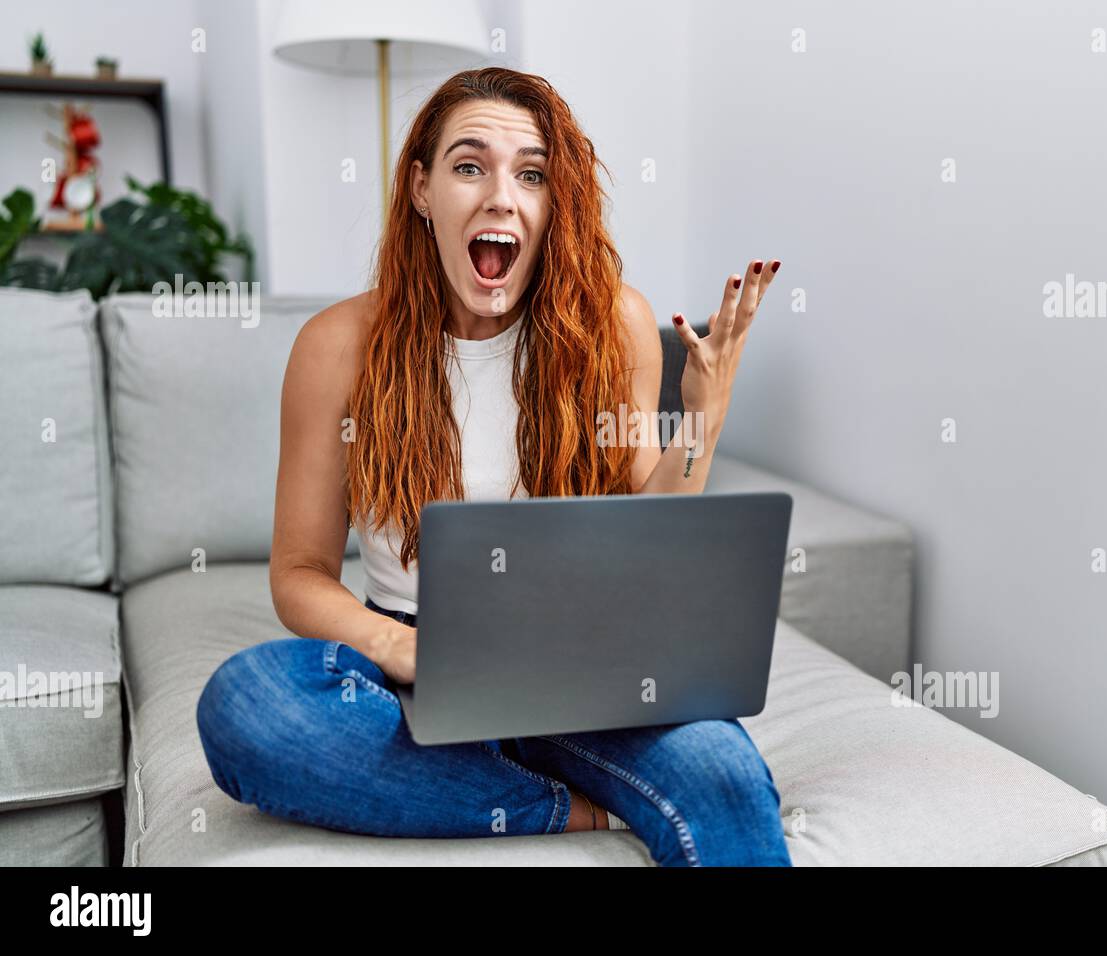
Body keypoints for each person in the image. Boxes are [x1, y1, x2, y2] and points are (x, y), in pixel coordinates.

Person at [196, 67, 787, 866]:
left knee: (723, 776)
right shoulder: (335, 347)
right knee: (249, 704)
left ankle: (467, 781)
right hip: (415, 654)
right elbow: (299, 572)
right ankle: (565, 808)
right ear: (421, 189)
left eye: (533, 174)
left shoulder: (616, 323)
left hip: (586, 655)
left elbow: (655, 525)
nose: (502, 197)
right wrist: (397, 649)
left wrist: (704, 415)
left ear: (555, 203)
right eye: (469, 165)